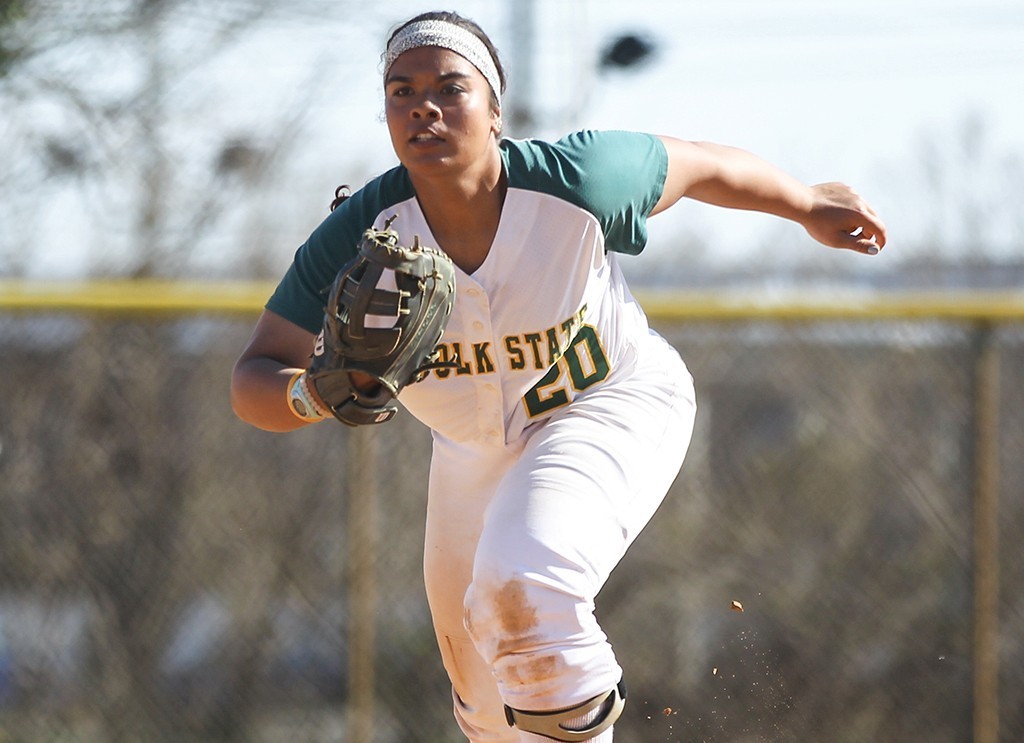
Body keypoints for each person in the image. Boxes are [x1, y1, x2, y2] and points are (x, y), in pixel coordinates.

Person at [230, 10, 886, 742]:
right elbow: (255, 373)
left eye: (452, 88)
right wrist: (310, 391)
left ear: (494, 109)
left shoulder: (580, 180)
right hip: (472, 451)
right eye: (401, 91)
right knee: (488, 708)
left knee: (526, 591)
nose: (425, 106)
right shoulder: (361, 231)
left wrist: (805, 204)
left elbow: (700, 163)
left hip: (607, 400)